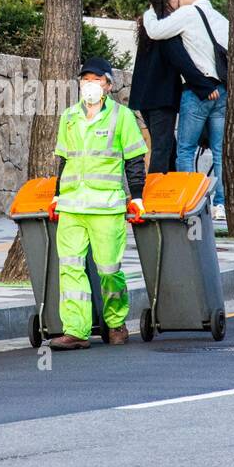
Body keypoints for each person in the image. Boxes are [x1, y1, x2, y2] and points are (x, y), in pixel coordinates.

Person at [48, 57, 148, 351]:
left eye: (96, 80)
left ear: (108, 84)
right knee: (70, 267)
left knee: (108, 269)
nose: (90, 85)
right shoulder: (69, 116)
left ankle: (116, 322)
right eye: (85, 80)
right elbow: (65, 161)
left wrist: (138, 196)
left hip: (106, 206)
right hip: (72, 207)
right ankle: (76, 331)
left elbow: (133, 160)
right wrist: (57, 195)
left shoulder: (121, 117)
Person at [140, 0, 230, 219]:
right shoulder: (223, 20)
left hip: (200, 90)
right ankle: (220, 204)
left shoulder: (188, 13)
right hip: (223, 91)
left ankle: (191, 201)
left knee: (186, 150)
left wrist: (150, 9)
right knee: (220, 151)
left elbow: (156, 30)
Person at [128, 0, 218, 173]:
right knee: (162, 147)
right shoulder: (167, 29)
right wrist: (205, 86)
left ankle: (169, 189)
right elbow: (182, 61)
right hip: (161, 97)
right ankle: (156, 195)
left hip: (145, 97)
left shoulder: (151, 25)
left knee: (168, 146)